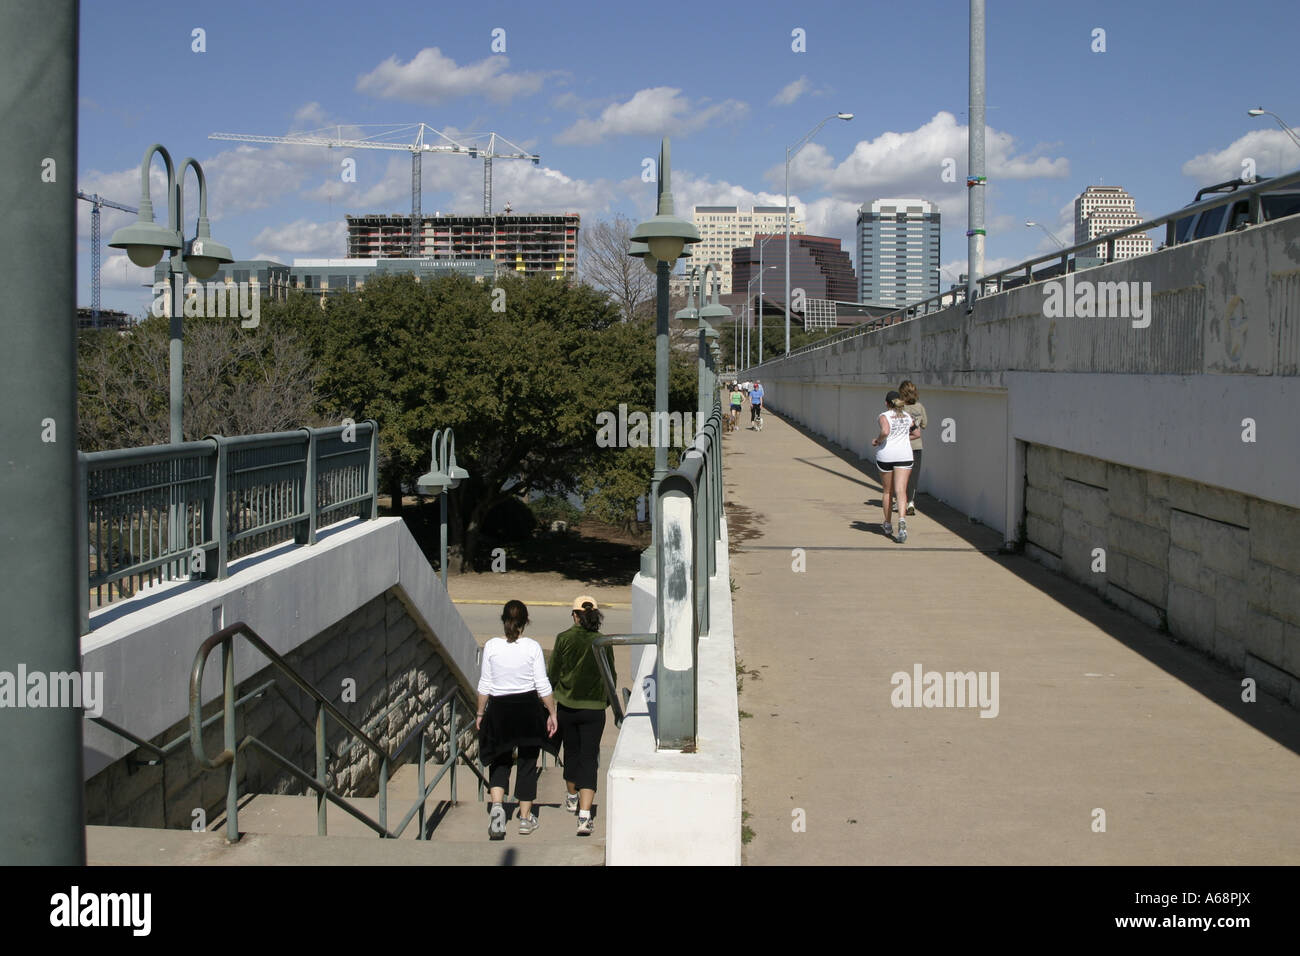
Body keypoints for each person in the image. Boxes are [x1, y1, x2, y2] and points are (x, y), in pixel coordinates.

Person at [476, 600, 559, 840]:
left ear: (504, 620)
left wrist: (480, 713)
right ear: (525, 622)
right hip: (527, 709)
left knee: (500, 760)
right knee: (527, 763)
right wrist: (552, 713)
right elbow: (542, 684)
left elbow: (485, 685)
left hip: (500, 710)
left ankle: (498, 809)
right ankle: (525, 818)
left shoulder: (491, 646)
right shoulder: (532, 647)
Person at [547, 595, 615, 837]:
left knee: (571, 753)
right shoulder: (603, 641)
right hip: (594, 709)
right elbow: (611, 677)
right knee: (589, 758)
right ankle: (585, 816)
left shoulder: (563, 639)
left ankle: (572, 797)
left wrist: (550, 705)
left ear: (575, 615)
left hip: (567, 707)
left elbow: (552, 673)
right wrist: (608, 702)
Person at [870, 390, 920, 543]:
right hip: (904, 456)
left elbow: (885, 431)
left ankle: (887, 524)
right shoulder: (907, 417)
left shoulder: (884, 416)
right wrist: (904, 437)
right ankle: (902, 521)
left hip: (886, 455)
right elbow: (917, 434)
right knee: (901, 490)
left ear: (886, 403)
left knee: (887, 491)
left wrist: (878, 441)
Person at [899, 380, 927, 516]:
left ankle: (900, 500)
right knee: (913, 475)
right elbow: (925, 424)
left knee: (901, 475)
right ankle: (910, 502)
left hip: (902, 446)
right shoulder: (920, 407)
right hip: (916, 446)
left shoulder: (901, 408)